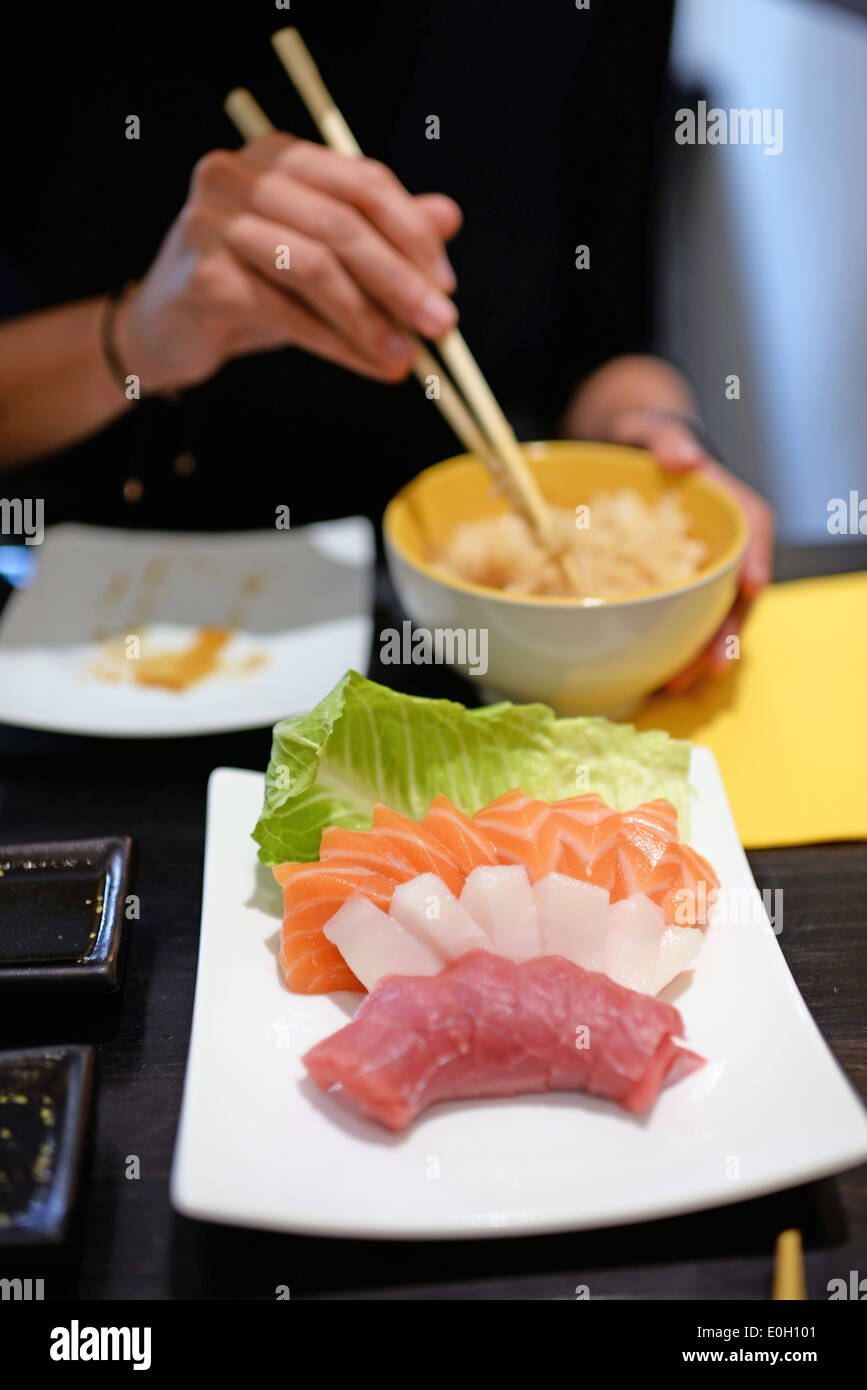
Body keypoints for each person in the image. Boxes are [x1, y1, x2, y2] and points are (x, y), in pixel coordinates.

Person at [0, 0, 772, 690]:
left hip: (456, 639)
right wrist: (133, 338)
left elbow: (605, 344)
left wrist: (660, 438)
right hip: (68, 632)